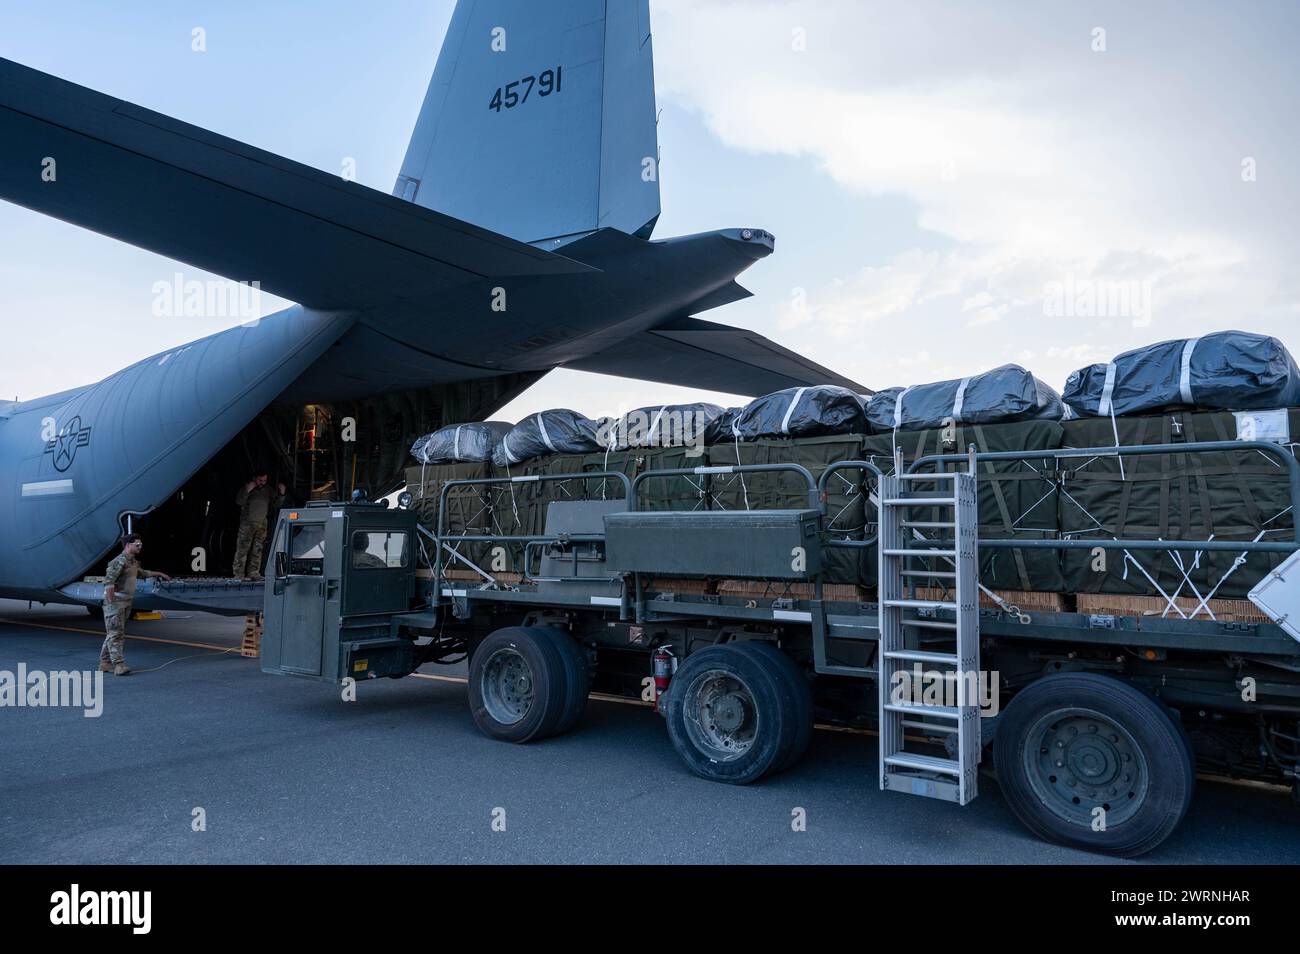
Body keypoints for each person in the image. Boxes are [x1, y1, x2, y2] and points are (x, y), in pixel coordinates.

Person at [100, 533, 171, 676]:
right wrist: (112, 603)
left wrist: (160, 574)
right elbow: (108, 583)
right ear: (128, 545)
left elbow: (143, 573)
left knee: (114, 633)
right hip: (116, 603)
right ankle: (119, 665)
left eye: (141, 545)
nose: (140, 547)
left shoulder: (132, 562)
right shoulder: (118, 562)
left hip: (125, 602)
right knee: (116, 634)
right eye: (137, 545)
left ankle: (105, 663)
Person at [233, 472, 286, 580]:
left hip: (262, 523)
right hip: (247, 523)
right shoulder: (247, 488)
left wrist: (282, 494)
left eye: (264, 481)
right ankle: (239, 574)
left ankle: (254, 573)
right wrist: (247, 490)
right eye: (260, 480)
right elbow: (239, 501)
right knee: (243, 549)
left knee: (258, 549)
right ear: (254, 478)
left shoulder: (268, 490)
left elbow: (276, 504)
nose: (262, 483)